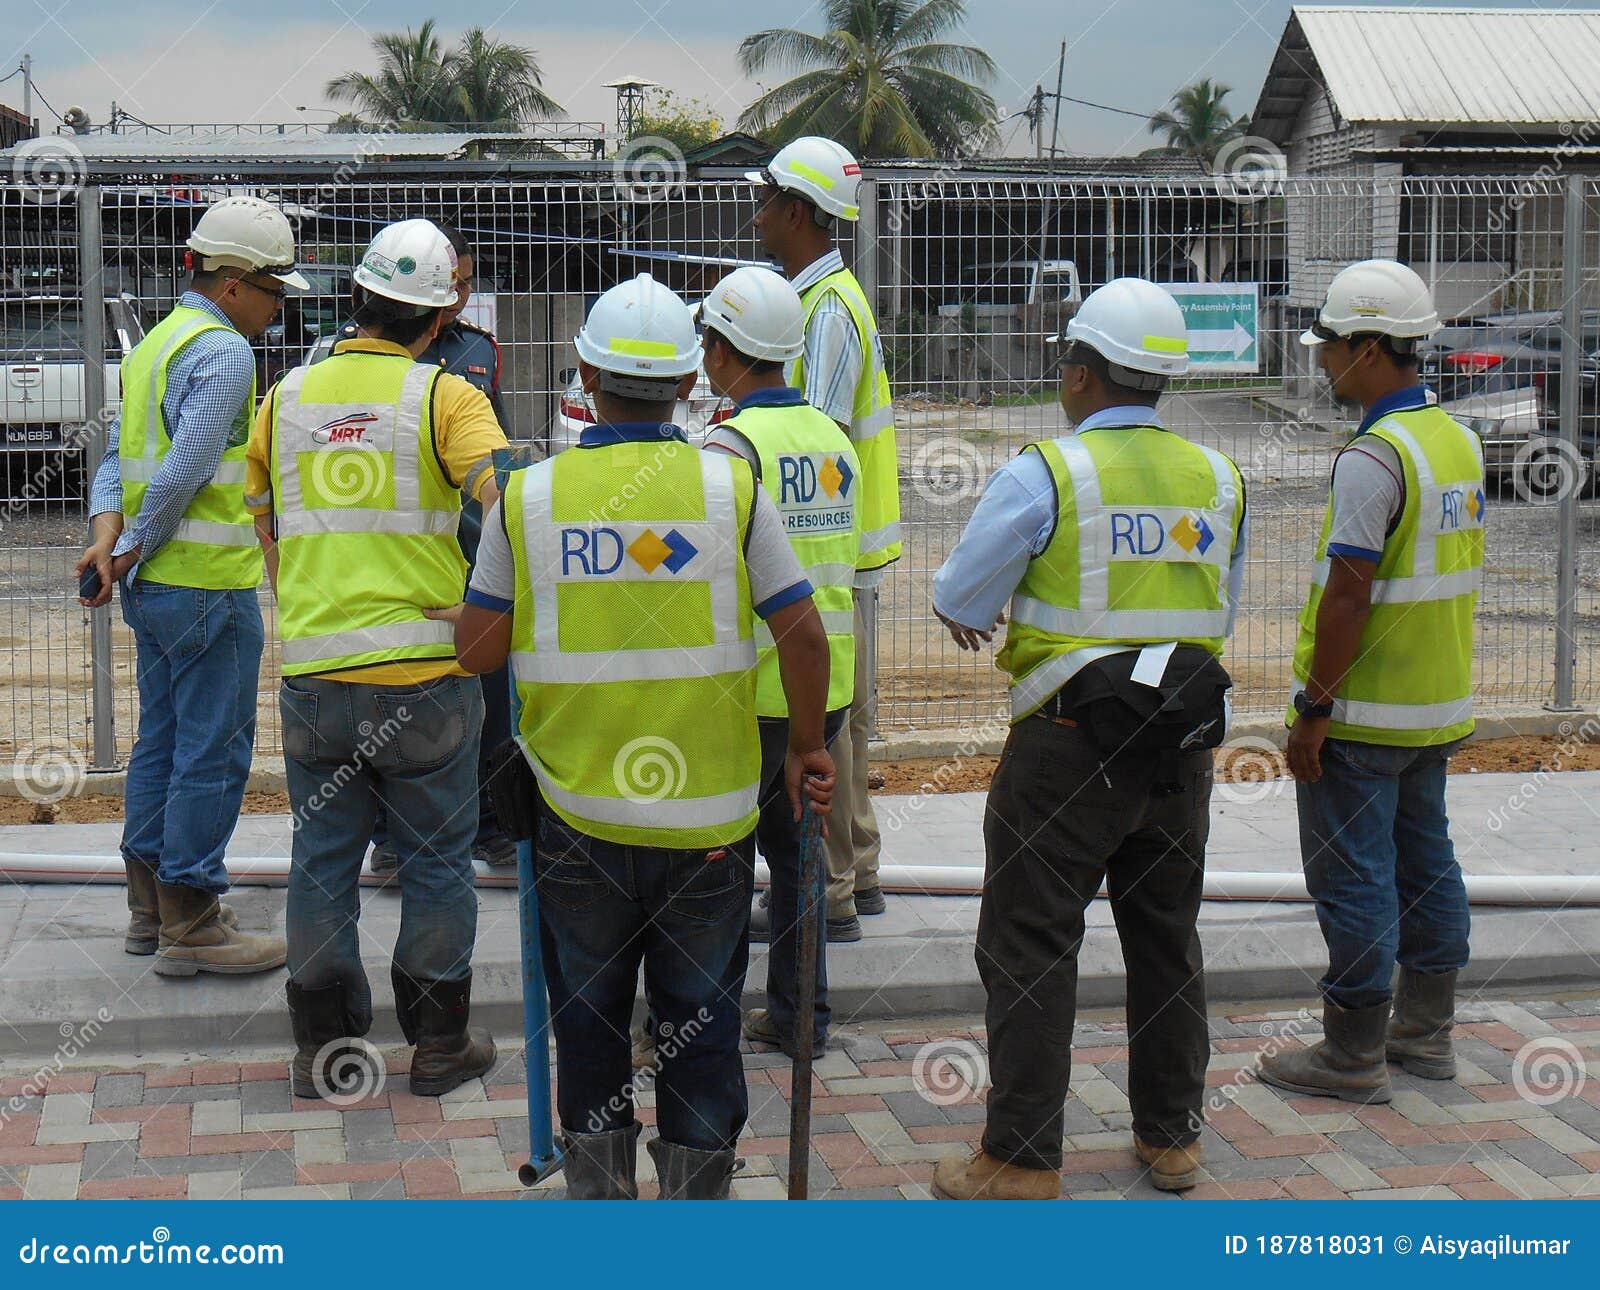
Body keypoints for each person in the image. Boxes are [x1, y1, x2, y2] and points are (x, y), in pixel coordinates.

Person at [453, 273, 835, 1199]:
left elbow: (476, 652)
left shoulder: (530, 497)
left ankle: (601, 1199)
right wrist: (805, 749)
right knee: (699, 1022)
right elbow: (806, 635)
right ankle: (696, 1200)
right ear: (687, 382)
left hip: (578, 822)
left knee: (587, 1021)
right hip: (708, 824)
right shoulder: (729, 488)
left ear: (584, 371)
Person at [927, 279, 1248, 1199]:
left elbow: (958, 596)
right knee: (1164, 936)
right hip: (1182, 740)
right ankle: (1171, 1140)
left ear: (1077, 375)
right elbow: (1217, 605)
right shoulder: (1219, 477)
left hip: (1069, 743)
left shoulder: (1049, 470)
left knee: (1030, 939)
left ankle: (1022, 1156)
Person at [244, 218, 509, 1099]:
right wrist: (484, 609)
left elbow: (262, 513)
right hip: (426, 678)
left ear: (354, 301)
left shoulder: (283, 399)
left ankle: (322, 1054)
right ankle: (438, 1048)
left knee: (323, 860)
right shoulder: (447, 399)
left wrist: (304, 601)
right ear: (440, 319)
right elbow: (508, 503)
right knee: (436, 863)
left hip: (316, 676)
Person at [1257, 260, 1484, 1104]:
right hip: (1435, 708)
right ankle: (1424, 1036)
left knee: (1353, 876)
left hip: (1362, 717)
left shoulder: (1373, 458)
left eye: (1331, 347)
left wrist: (1314, 710)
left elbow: (1349, 593)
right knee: (1428, 863)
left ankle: (1351, 1052)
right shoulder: (1455, 441)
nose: (1320, 362)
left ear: (1368, 347)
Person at [77, 195, 307, 977]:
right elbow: (181, 474)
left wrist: (109, 541)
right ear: (235, 281)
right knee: (213, 751)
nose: (278, 309)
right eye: (275, 291)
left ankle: (150, 910)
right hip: (208, 588)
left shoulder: (155, 345)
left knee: (163, 742)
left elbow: (118, 463)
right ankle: (194, 918)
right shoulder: (224, 353)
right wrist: (133, 542)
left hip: (153, 592)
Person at [310, 224, 519, 873]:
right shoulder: (333, 365)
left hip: (471, 551)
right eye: (451, 285)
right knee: (396, 704)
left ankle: (489, 828)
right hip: (393, 552)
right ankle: (396, 842)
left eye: (466, 285)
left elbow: (498, 465)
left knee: (487, 698)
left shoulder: (479, 355)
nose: (461, 295)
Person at [698, 266, 863, 1060]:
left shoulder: (729, 447)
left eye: (708, 342)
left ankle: (709, 1021)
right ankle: (803, 1020)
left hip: (749, 693)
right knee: (798, 865)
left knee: (723, 868)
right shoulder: (833, 438)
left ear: (726, 352)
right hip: (824, 687)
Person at [749, 136, 901, 943]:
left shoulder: (828, 312)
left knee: (825, 719)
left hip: (823, 557)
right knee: (839, 717)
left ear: (799, 213)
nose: (758, 210)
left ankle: (832, 890)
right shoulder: (818, 300)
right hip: (834, 555)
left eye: (768, 198)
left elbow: (819, 444)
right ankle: (858, 869)